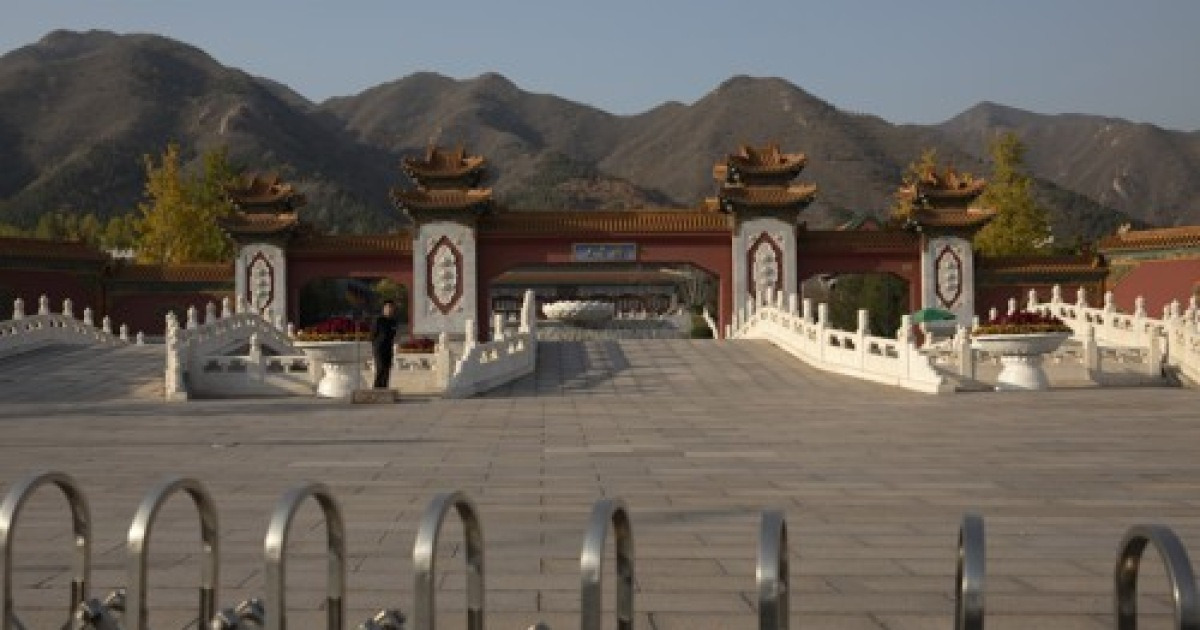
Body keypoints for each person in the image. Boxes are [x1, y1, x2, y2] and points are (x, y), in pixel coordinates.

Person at [369, 300, 399, 389]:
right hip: (379, 348)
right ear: (384, 309)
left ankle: (384, 389)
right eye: (388, 307)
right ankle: (376, 389)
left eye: (391, 307)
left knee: (387, 369)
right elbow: (372, 334)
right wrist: (375, 344)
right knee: (380, 368)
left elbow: (393, 334)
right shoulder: (378, 320)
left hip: (389, 348)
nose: (390, 309)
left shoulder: (393, 321)